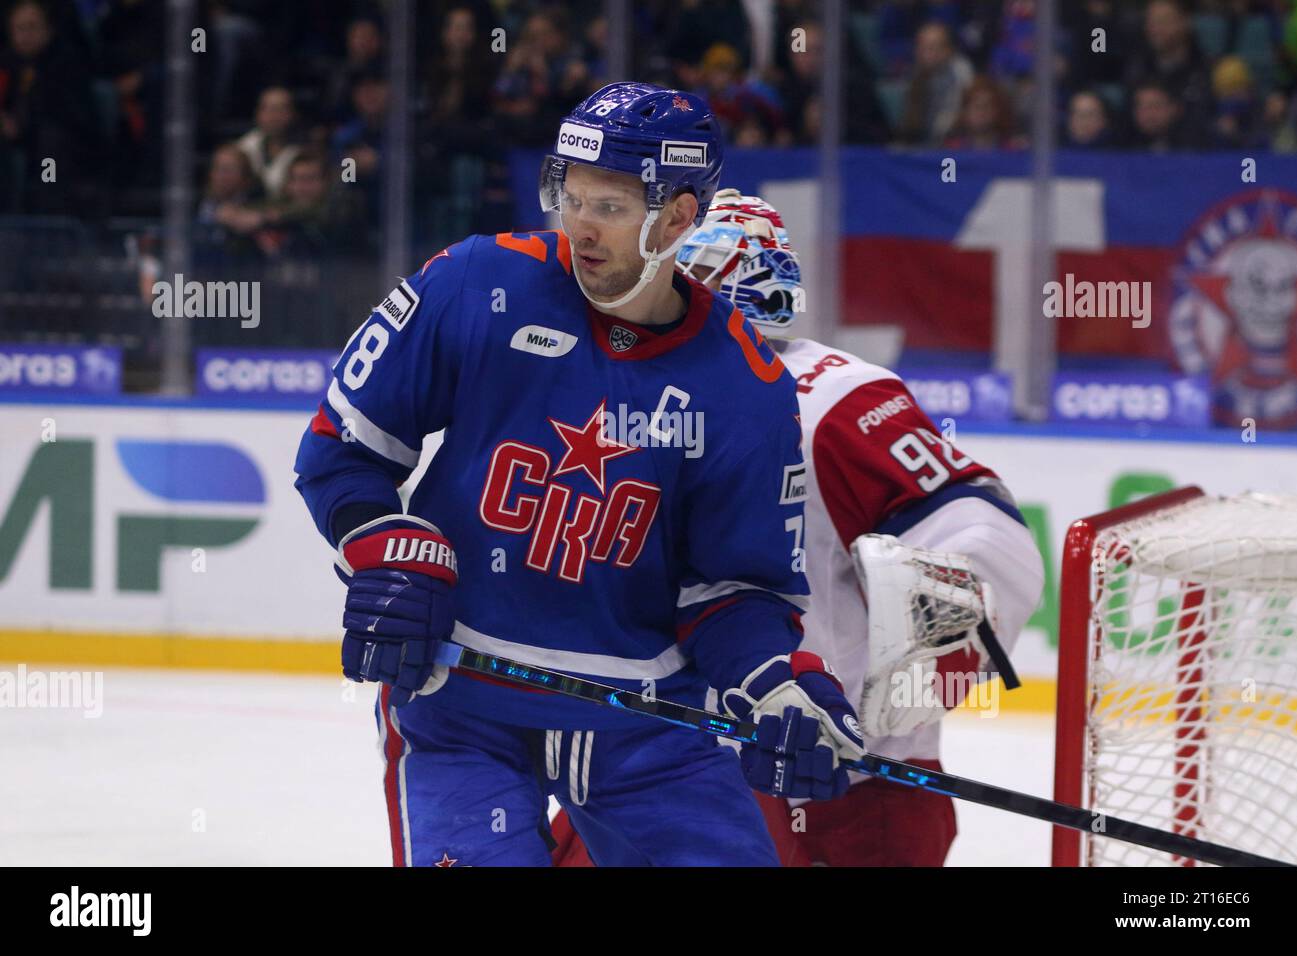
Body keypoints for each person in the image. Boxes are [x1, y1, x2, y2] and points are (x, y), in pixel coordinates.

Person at [292, 84, 864, 867]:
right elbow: (343, 449)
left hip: (649, 726)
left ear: (680, 217)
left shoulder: (744, 383)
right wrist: (383, 547)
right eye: (570, 193)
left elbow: (736, 588)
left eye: (614, 207)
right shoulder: (474, 284)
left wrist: (776, 684)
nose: (581, 226)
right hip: (462, 708)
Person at [551, 190, 1043, 866]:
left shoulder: (834, 400)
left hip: (837, 788)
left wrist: (902, 687)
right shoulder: (623, 398)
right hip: (655, 756)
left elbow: (989, 541)